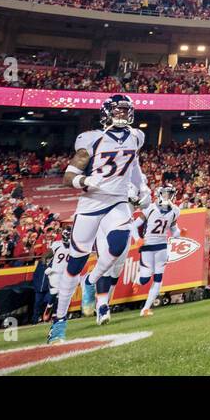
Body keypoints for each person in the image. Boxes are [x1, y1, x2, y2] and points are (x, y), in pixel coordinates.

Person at [49, 94, 150, 343]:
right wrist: (84, 181)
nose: (122, 115)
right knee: (75, 263)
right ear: (106, 112)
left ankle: (91, 281)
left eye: (126, 111)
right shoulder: (93, 138)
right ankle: (59, 322)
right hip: (91, 204)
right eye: (117, 110)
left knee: (118, 245)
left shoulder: (136, 136)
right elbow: (69, 174)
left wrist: (143, 187)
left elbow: (133, 165)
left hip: (117, 201)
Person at [136, 186, 180, 316]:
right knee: (144, 279)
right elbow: (134, 226)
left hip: (161, 246)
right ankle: (136, 280)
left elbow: (174, 231)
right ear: (160, 194)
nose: (168, 196)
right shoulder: (150, 208)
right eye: (166, 194)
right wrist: (137, 238)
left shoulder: (175, 211)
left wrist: (180, 232)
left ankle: (145, 308)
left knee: (158, 278)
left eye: (170, 194)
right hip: (148, 245)